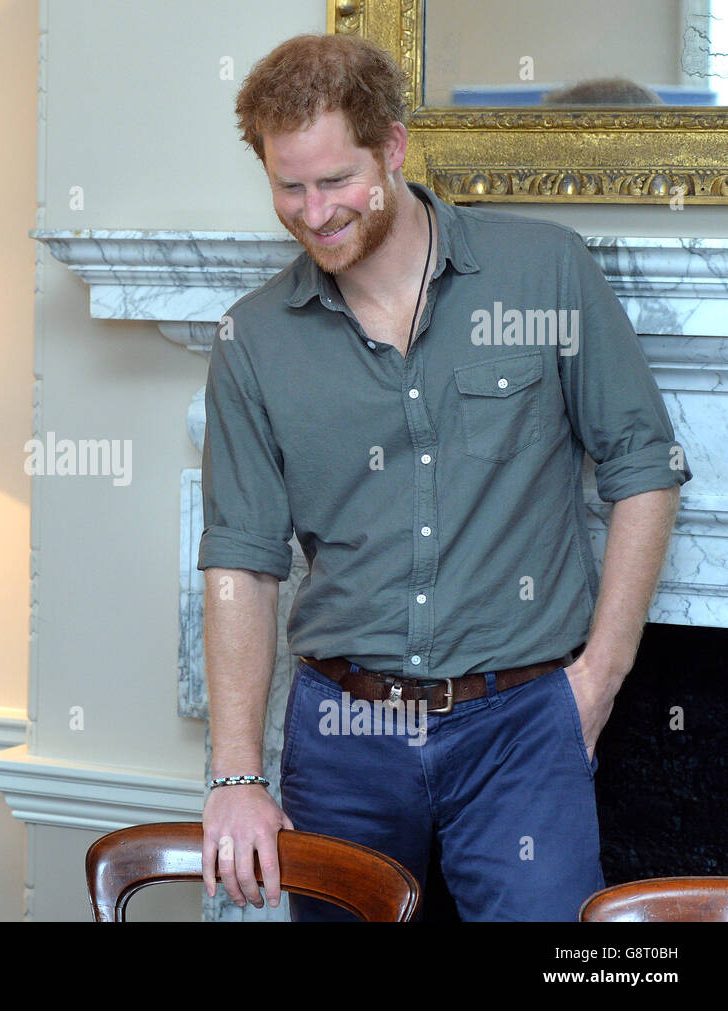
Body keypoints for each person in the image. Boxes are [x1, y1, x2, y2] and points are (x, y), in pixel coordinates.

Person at [197, 34, 690, 921]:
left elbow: (644, 469)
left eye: (337, 180)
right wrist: (236, 773)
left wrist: (599, 678)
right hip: (342, 735)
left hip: (521, 729)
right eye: (289, 186)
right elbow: (241, 556)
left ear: (392, 146)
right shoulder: (252, 338)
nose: (315, 212)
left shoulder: (546, 271)